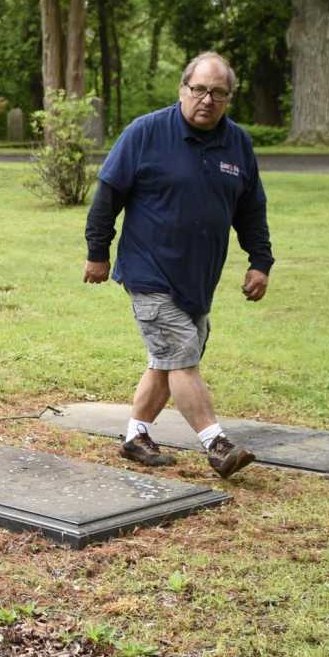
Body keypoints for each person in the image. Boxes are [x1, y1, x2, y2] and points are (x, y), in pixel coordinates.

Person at [82, 51, 273, 478]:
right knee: (182, 357)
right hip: (149, 271)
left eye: (218, 93)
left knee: (166, 358)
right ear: (182, 90)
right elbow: (107, 196)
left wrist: (260, 261)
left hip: (197, 278)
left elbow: (251, 209)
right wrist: (98, 251)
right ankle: (216, 445)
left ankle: (135, 436)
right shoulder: (146, 133)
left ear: (228, 98)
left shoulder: (237, 143)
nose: (207, 99)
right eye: (199, 89)